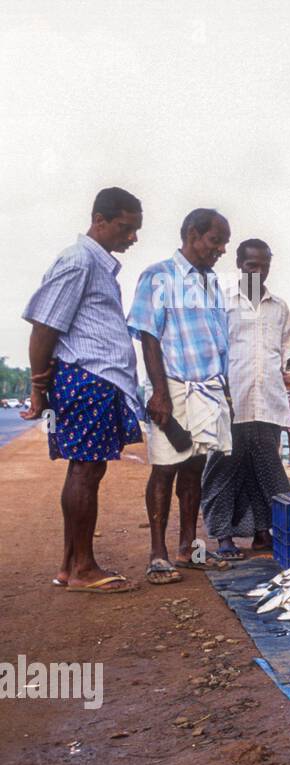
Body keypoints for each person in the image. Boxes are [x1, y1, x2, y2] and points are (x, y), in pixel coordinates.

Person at [19, 187, 145, 594]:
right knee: (86, 470)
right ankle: (83, 568)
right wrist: (38, 389)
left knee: (86, 469)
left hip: (98, 380)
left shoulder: (96, 265)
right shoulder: (78, 261)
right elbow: (44, 327)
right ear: (100, 220)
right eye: (126, 228)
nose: (132, 238)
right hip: (87, 379)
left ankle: (69, 563)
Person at [127, 208, 233, 585]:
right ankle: (158, 554)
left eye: (223, 243)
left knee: (194, 469)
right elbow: (149, 335)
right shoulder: (159, 275)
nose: (220, 249)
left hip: (208, 387)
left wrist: (225, 393)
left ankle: (188, 548)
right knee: (165, 467)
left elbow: (218, 339)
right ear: (192, 234)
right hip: (172, 385)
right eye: (215, 241)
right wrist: (159, 393)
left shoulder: (211, 282)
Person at [199, 238, 290, 560]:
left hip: (268, 401)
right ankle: (223, 535)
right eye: (252, 266)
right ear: (239, 265)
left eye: (264, 266)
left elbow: (286, 351)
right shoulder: (222, 303)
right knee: (224, 469)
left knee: (266, 470)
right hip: (230, 399)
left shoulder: (279, 306)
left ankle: (265, 531)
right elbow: (211, 351)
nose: (259, 271)